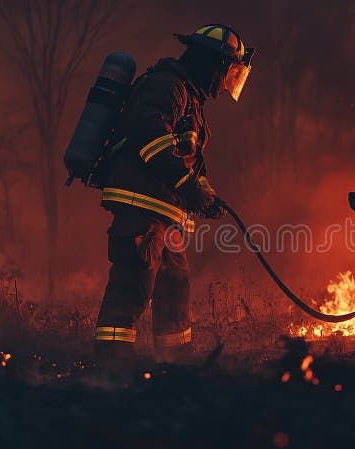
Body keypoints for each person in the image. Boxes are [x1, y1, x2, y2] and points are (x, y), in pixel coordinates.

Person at [94, 24, 254, 363]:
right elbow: (154, 143)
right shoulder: (166, 87)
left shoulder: (191, 100)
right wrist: (190, 188)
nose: (227, 84)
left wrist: (206, 194)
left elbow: (191, 162)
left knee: (174, 295)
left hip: (168, 218)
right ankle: (110, 367)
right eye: (230, 72)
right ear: (217, 65)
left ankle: (176, 365)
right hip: (142, 209)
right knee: (131, 290)